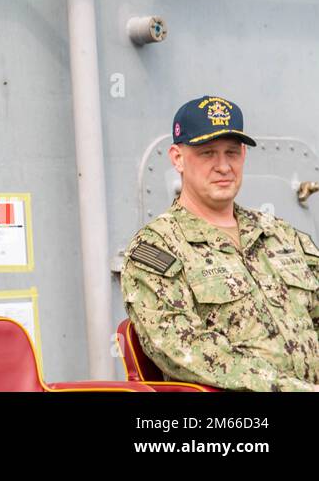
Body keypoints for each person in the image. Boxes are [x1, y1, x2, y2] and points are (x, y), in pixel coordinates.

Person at [121, 95, 319, 391]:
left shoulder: (279, 234)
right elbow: (183, 349)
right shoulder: (157, 248)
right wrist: (286, 388)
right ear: (177, 158)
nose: (223, 166)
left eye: (231, 153)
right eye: (207, 153)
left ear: (243, 155)